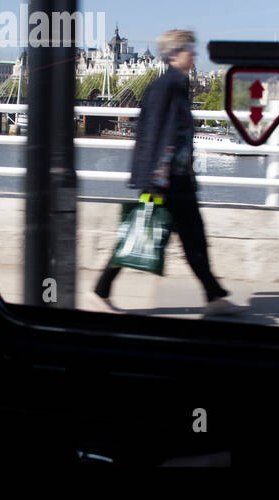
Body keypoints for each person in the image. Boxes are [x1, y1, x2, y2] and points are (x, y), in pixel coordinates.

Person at [95, 29, 246, 316]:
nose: (195, 53)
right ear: (175, 54)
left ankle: (214, 296)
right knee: (140, 236)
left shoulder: (177, 84)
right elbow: (151, 134)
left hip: (178, 181)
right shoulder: (166, 85)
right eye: (190, 48)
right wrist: (152, 182)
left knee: (193, 239)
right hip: (163, 183)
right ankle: (100, 291)